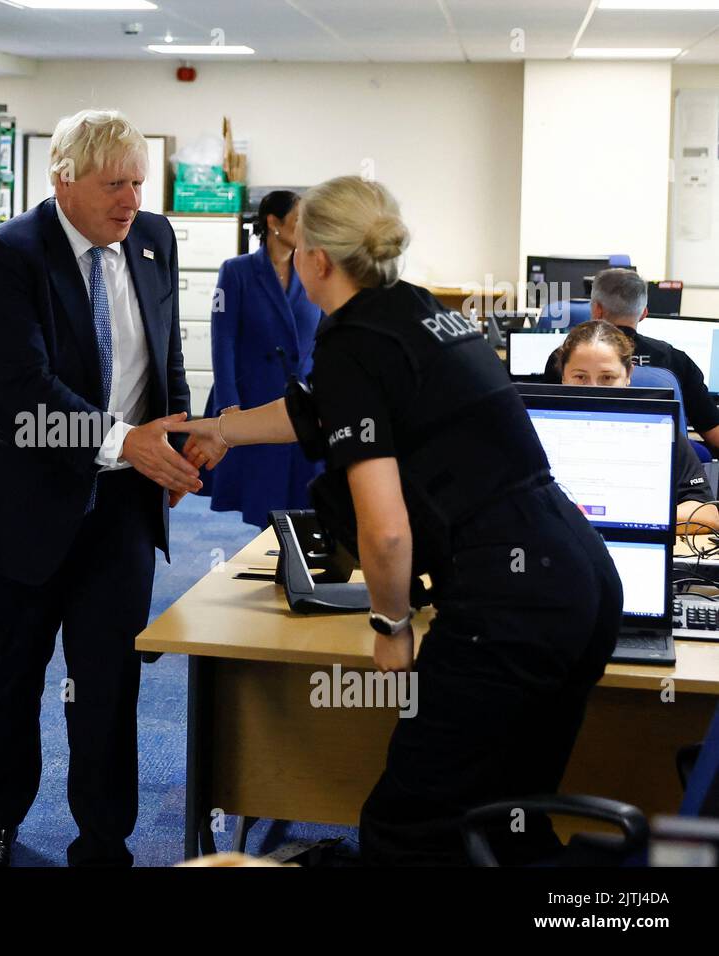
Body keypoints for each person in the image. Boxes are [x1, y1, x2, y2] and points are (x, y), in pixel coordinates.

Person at [172, 175, 622, 866]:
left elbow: (384, 528)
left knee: (408, 827)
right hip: (579, 576)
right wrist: (223, 429)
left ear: (318, 258)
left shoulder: (353, 341)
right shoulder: (408, 310)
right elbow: (312, 410)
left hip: (510, 601)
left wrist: (391, 625)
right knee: (505, 816)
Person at [0, 108, 198, 867]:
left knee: (106, 680)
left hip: (121, 505)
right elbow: (25, 399)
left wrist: (177, 441)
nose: (130, 200)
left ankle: (103, 837)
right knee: (15, 674)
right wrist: (126, 440)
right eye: (112, 184)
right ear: (62, 180)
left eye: (137, 182)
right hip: (21, 502)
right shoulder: (6, 256)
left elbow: (166, 355)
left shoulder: (153, 240)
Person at [200, 190, 323, 528]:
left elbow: (325, 332)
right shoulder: (235, 271)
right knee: (262, 493)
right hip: (253, 396)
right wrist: (229, 406)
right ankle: (275, 559)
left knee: (304, 493)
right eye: (299, 220)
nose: (305, 228)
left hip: (303, 401)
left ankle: (295, 562)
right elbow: (221, 339)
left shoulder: (314, 267)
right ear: (273, 223)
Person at [557, 319, 719, 532]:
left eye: (607, 377)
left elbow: (707, 513)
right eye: (580, 377)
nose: (594, 389)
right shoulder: (535, 429)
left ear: (628, 376)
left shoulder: (659, 429)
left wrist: (630, 515)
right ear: (563, 376)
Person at [544, 268, 719, 451]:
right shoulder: (677, 360)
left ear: (596, 310)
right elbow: (714, 433)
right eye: (582, 378)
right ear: (643, 313)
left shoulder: (566, 358)